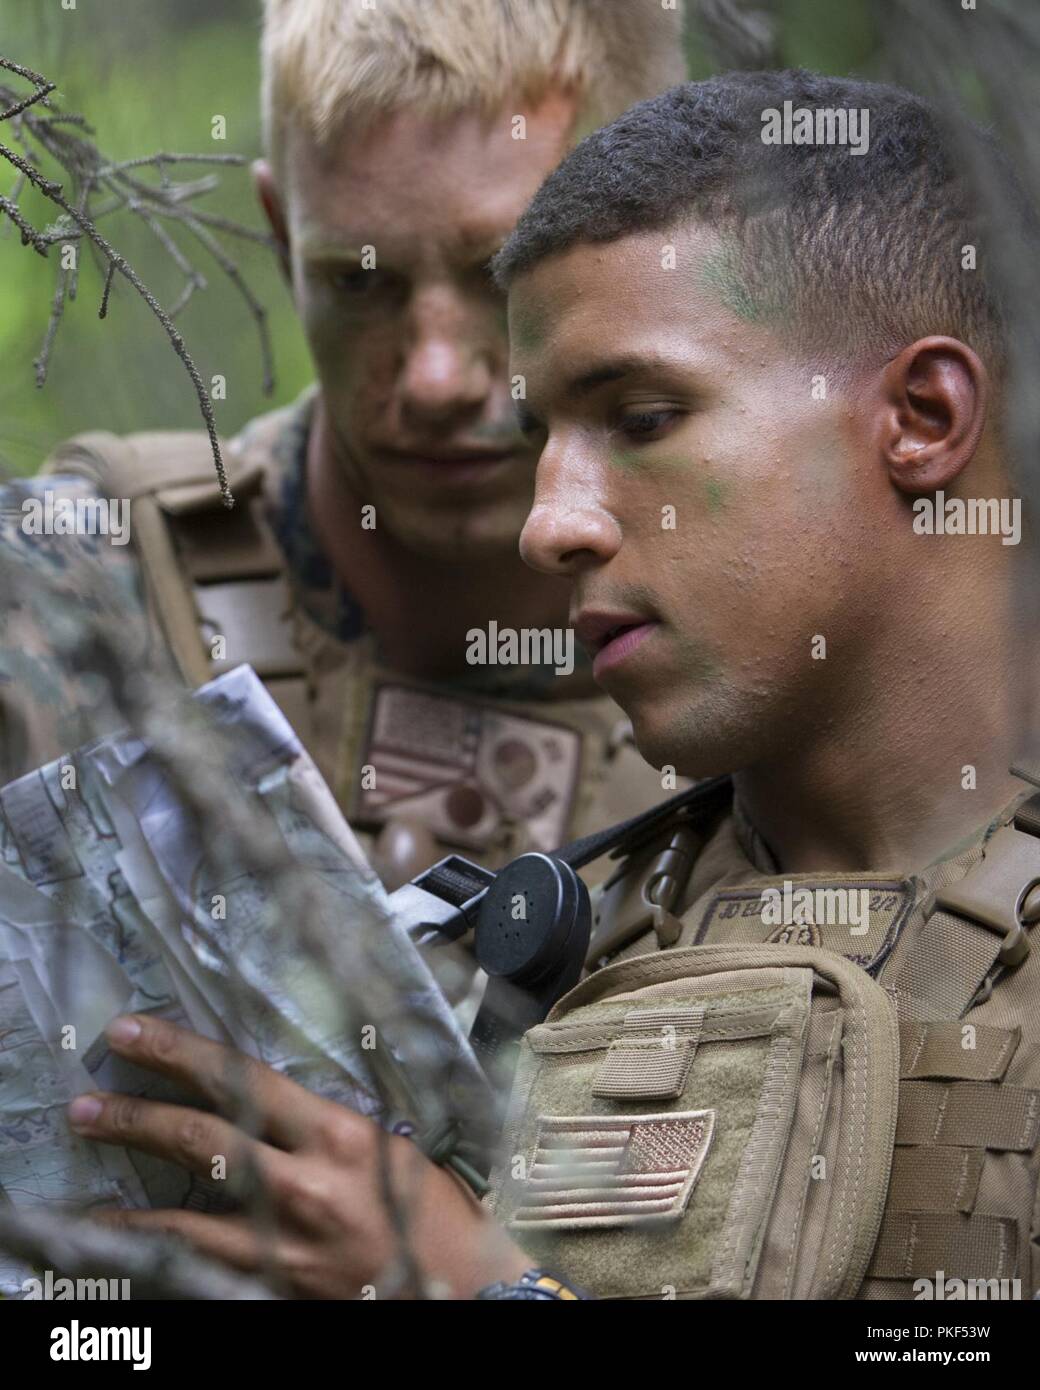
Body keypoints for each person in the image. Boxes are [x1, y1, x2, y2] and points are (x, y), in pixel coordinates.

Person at [66, 69, 1040, 1300]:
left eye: (637, 417)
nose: (548, 526)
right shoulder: (562, 942)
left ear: (921, 412)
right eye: (541, 439)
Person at [22, 0, 687, 887]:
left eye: (503, 272)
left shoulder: (787, 680)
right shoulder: (77, 601)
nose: (435, 379)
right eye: (358, 280)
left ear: (672, 233)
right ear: (279, 231)